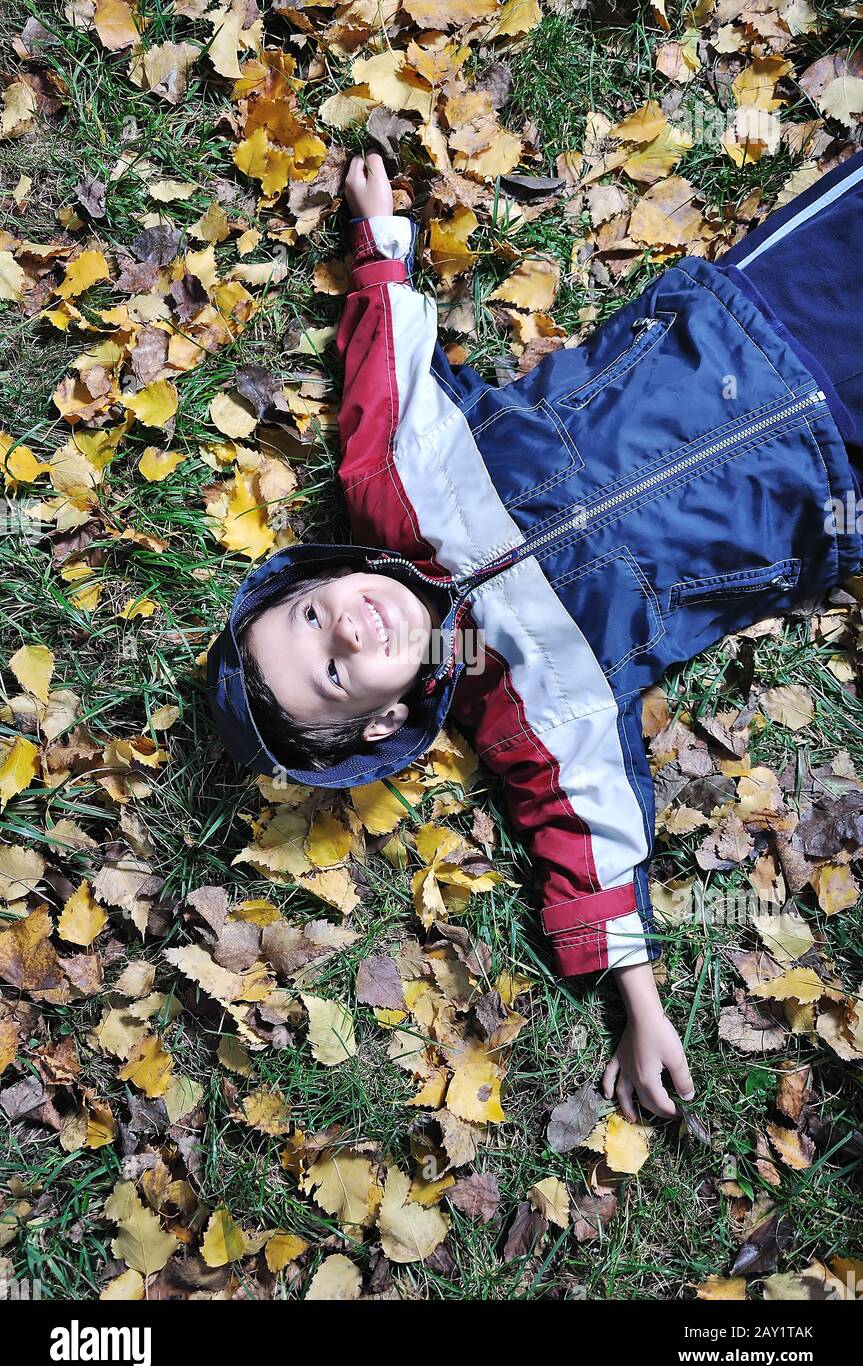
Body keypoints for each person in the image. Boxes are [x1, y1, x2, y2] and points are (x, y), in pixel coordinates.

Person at [208, 146, 863, 1122]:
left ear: (320, 577)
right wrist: (637, 1007)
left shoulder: (398, 484)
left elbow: (381, 364)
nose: (345, 627)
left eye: (312, 615)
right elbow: (581, 836)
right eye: (337, 670)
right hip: (821, 491)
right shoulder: (522, 703)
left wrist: (379, 243)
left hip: (746, 331)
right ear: (383, 721)